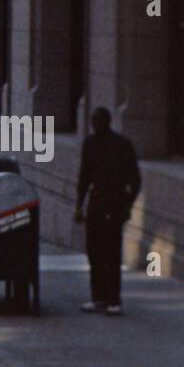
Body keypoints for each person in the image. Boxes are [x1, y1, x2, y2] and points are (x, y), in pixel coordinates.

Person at [74, 107, 141, 316]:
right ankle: (99, 297)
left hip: (115, 200)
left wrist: (127, 204)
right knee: (94, 251)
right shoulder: (89, 144)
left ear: (107, 122)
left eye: (98, 120)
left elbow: (135, 179)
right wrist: (79, 205)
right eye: (93, 120)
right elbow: (84, 176)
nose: (95, 124)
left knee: (111, 251)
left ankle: (113, 299)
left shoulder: (121, 144)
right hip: (96, 200)